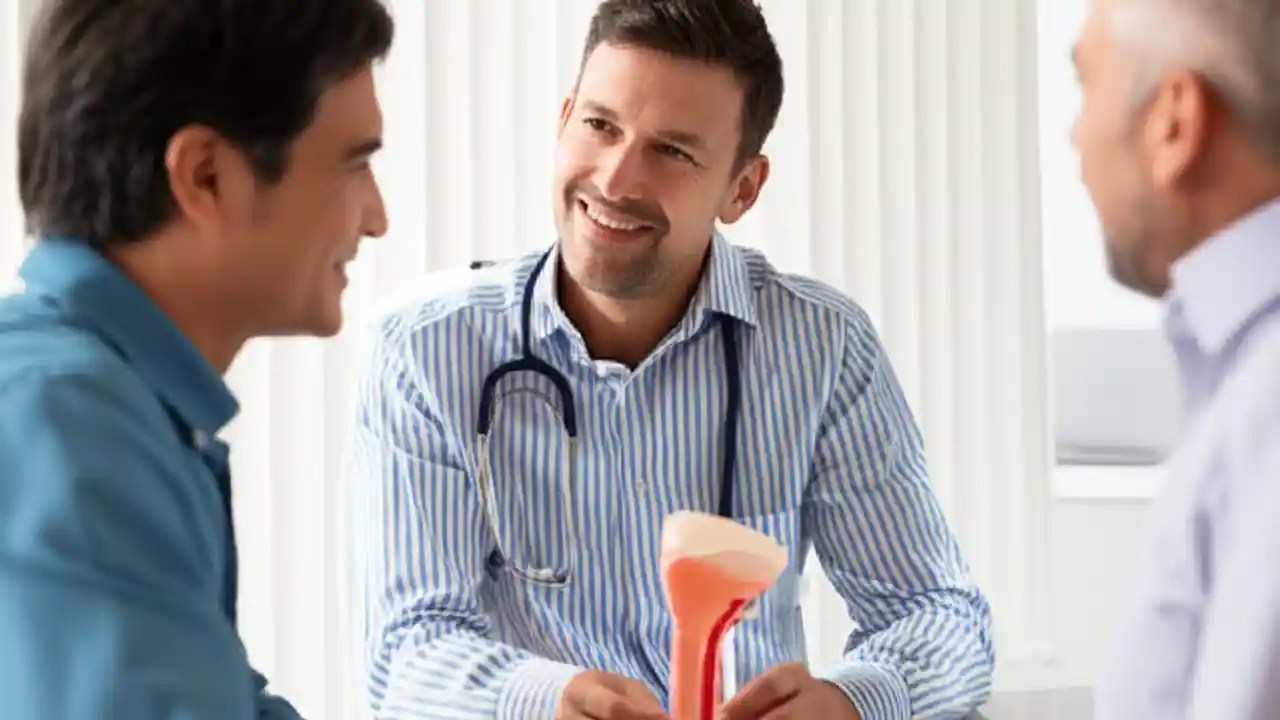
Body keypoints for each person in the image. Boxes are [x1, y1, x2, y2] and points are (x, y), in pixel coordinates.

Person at [349, 1, 993, 719]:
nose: (617, 180)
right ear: (564, 120)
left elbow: (938, 614)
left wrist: (850, 702)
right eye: (600, 125)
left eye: (673, 151)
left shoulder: (822, 348)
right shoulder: (426, 351)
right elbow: (407, 650)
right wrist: (544, 700)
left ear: (742, 188)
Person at [0, 1, 392, 717]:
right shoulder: (73, 430)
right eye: (355, 163)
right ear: (206, 176)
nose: (377, 216)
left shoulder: (110, 405)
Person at [1070, 0, 1280, 717]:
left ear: (1174, 121)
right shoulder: (1238, 380)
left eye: (1085, 85)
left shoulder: (1266, 410)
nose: (1075, 136)